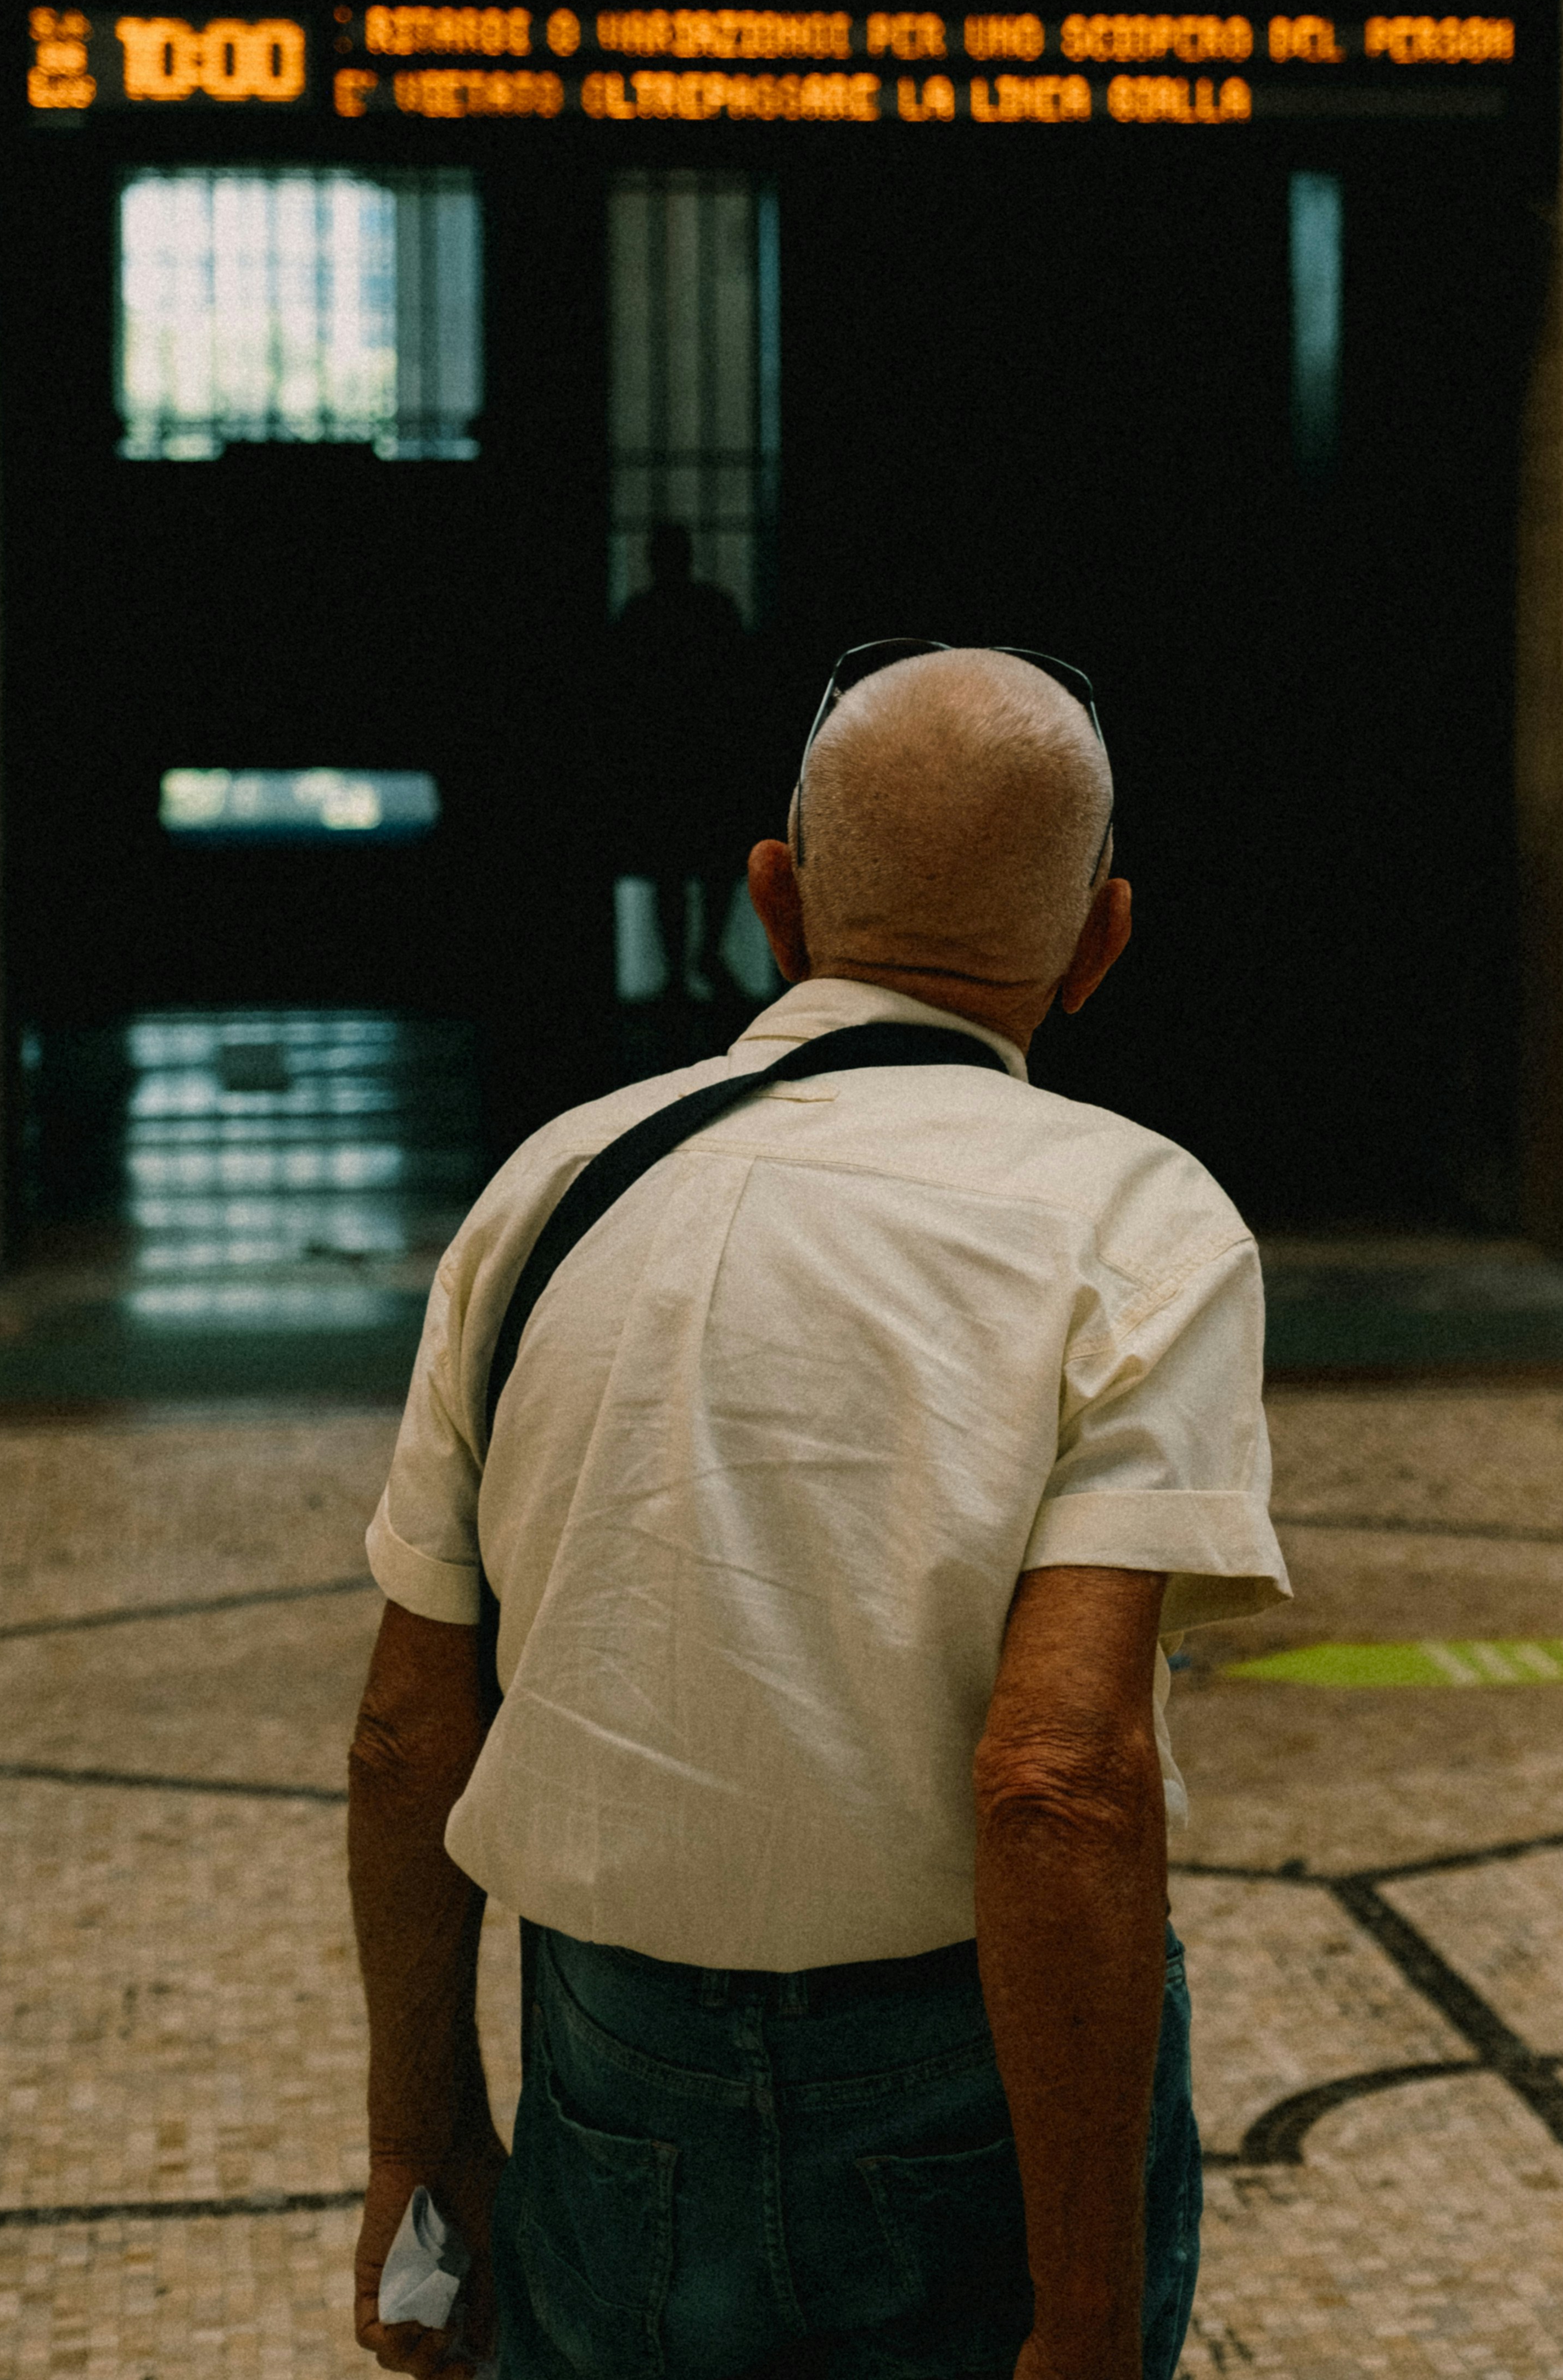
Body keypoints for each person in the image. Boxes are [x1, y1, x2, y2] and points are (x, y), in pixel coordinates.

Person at [348, 641, 1289, 2380]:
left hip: (606, 2056)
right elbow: (1060, 1778)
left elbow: (411, 1735)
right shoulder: (1139, 1225)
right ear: (1101, 942)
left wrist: (421, 2144)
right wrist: (1079, 2317)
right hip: (961, 2084)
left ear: (774, 903)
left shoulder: (551, 1186)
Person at [604, 520, 757, 1001]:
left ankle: (678, 971)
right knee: (712, 866)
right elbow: (738, 683)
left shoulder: (642, 613)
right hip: (706, 752)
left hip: (664, 756)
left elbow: (624, 693)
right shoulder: (713, 608)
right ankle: (706, 956)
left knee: (670, 870)